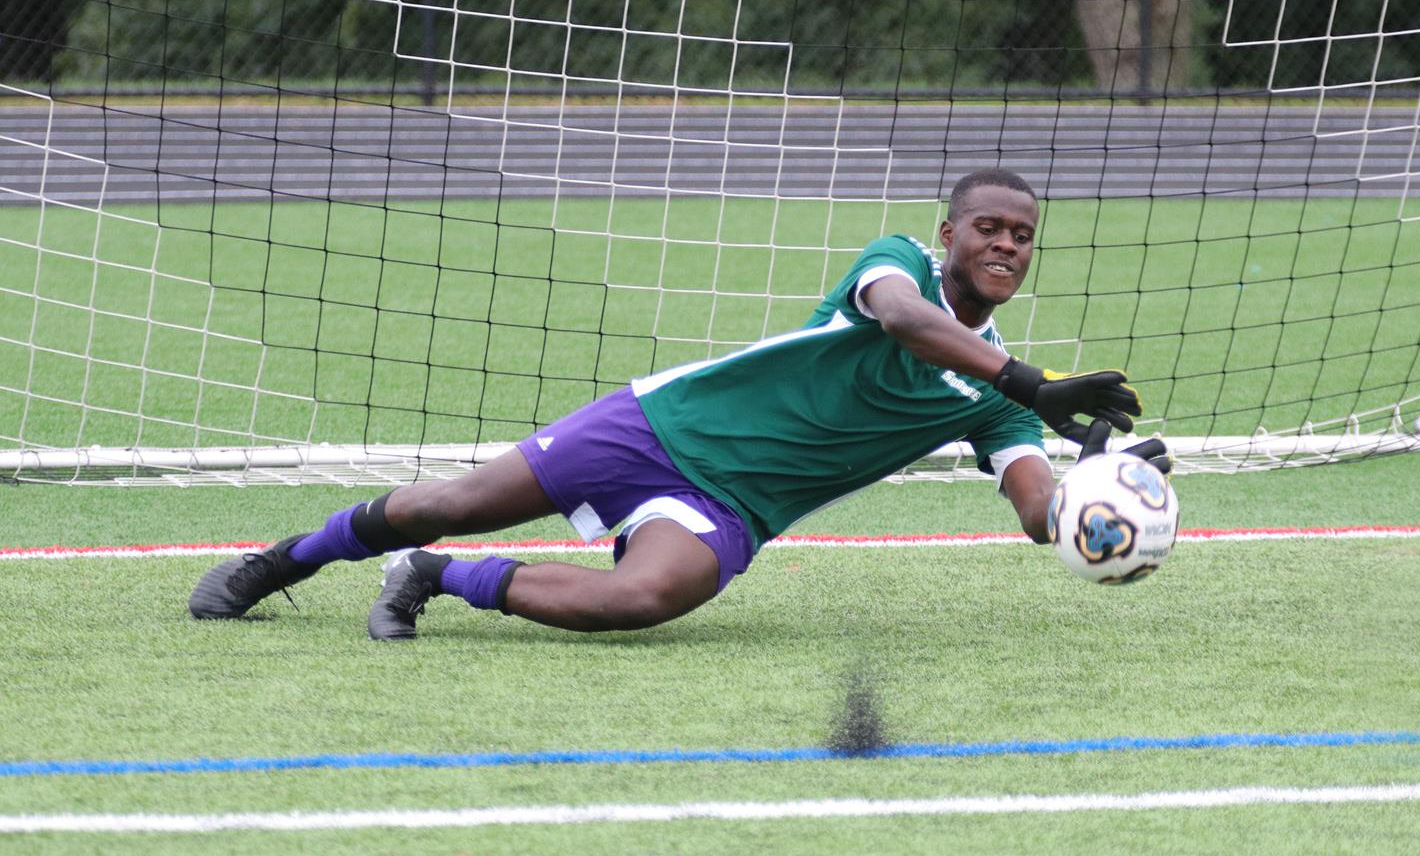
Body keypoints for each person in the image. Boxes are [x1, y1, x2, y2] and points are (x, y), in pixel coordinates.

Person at [189, 168, 1168, 640]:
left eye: (1023, 236)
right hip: (660, 427)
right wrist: (1034, 385)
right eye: (988, 228)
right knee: (445, 493)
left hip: (729, 509)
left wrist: (1102, 490)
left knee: (641, 600)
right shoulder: (900, 264)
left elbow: (1037, 509)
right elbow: (904, 319)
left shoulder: (988, 399)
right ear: (948, 231)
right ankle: (284, 562)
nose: (1005, 245)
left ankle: (438, 577)